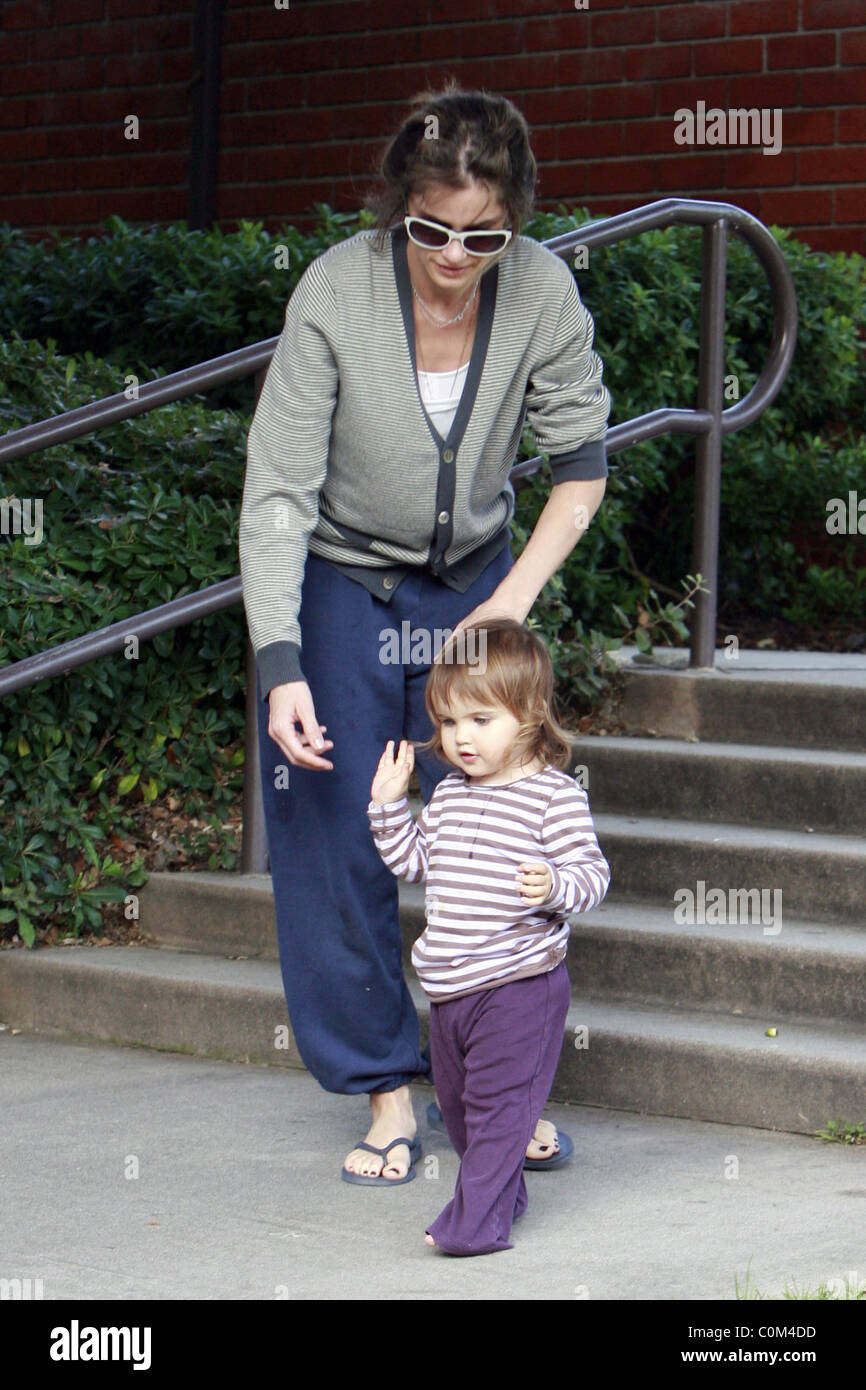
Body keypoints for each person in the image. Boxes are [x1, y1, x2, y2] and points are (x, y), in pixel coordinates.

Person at [238, 82, 610, 1185]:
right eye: (430, 229)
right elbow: (276, 493)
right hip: (341, 582)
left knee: (507, 822)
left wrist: (513, 600)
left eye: (482, 235)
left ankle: (492, 1090)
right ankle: (384, 1091)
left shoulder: (541, 294)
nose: (454, 254)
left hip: (477, 586)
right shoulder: (334, 293)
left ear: (515, 221)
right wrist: (280, 662)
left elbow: (579, 466)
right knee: (337, 828)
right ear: (397, 205)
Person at [367, 619, 611, 1253]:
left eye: (479, 720)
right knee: (461, 1111)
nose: (459, 739)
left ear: (529, 714)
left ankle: (472, 1226)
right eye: (448, 723)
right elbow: (414, 862)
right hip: (450, 987)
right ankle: (506, 1196)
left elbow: (592, 875)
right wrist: (390, 806)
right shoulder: (449, 797)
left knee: (501, 1113)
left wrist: (555, 884)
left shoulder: (552, 798)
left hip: (519, 986)